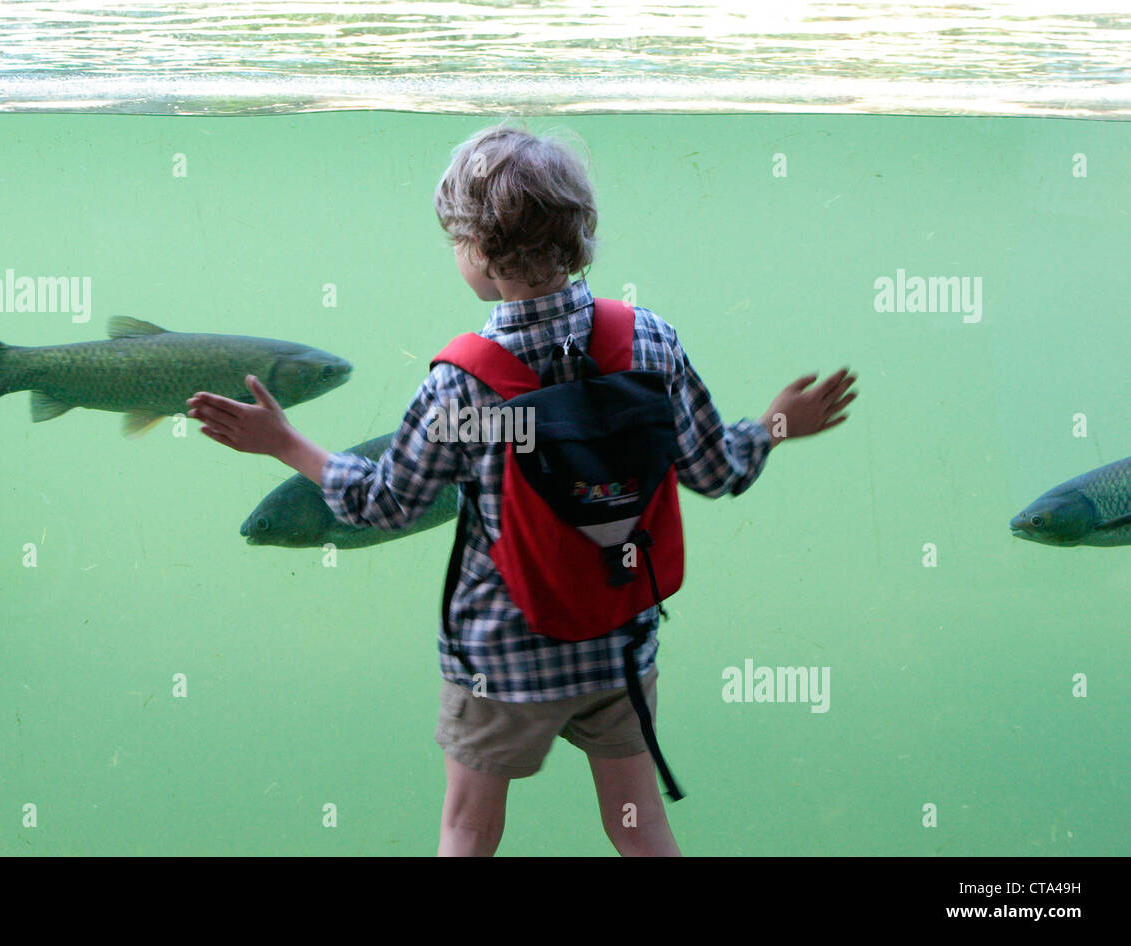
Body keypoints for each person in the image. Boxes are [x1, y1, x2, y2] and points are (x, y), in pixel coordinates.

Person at [187, 121, 856, 856]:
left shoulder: (461, 382)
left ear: (476, 252)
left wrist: (286, 443)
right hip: (616, 642)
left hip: (498, 660)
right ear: (580, 234)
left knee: (469, 830)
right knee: (640, 825)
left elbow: (386, 505)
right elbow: (714, 470)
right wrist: (775, 426)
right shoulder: (648, 341)